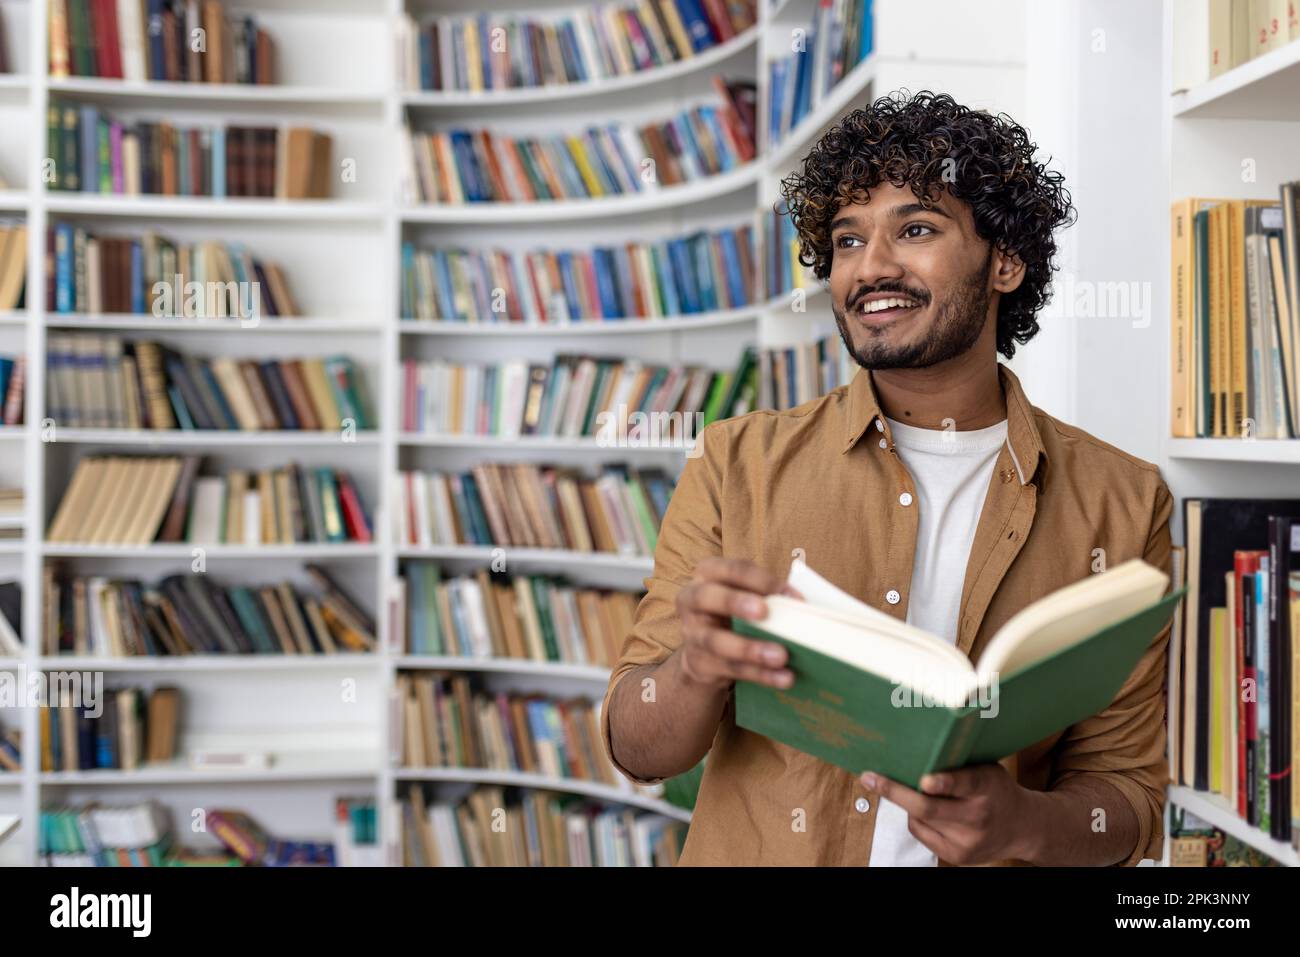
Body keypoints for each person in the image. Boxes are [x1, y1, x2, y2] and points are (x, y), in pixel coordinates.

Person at [601, 90, 1173, 866]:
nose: (870, 268)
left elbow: (1128, 798)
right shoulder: (736, 463)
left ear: (1005, 261)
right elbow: (638, 747)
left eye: (915, 229)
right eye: (845, 240)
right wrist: (694, 667)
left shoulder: (1126, 500)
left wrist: (1021, 825)